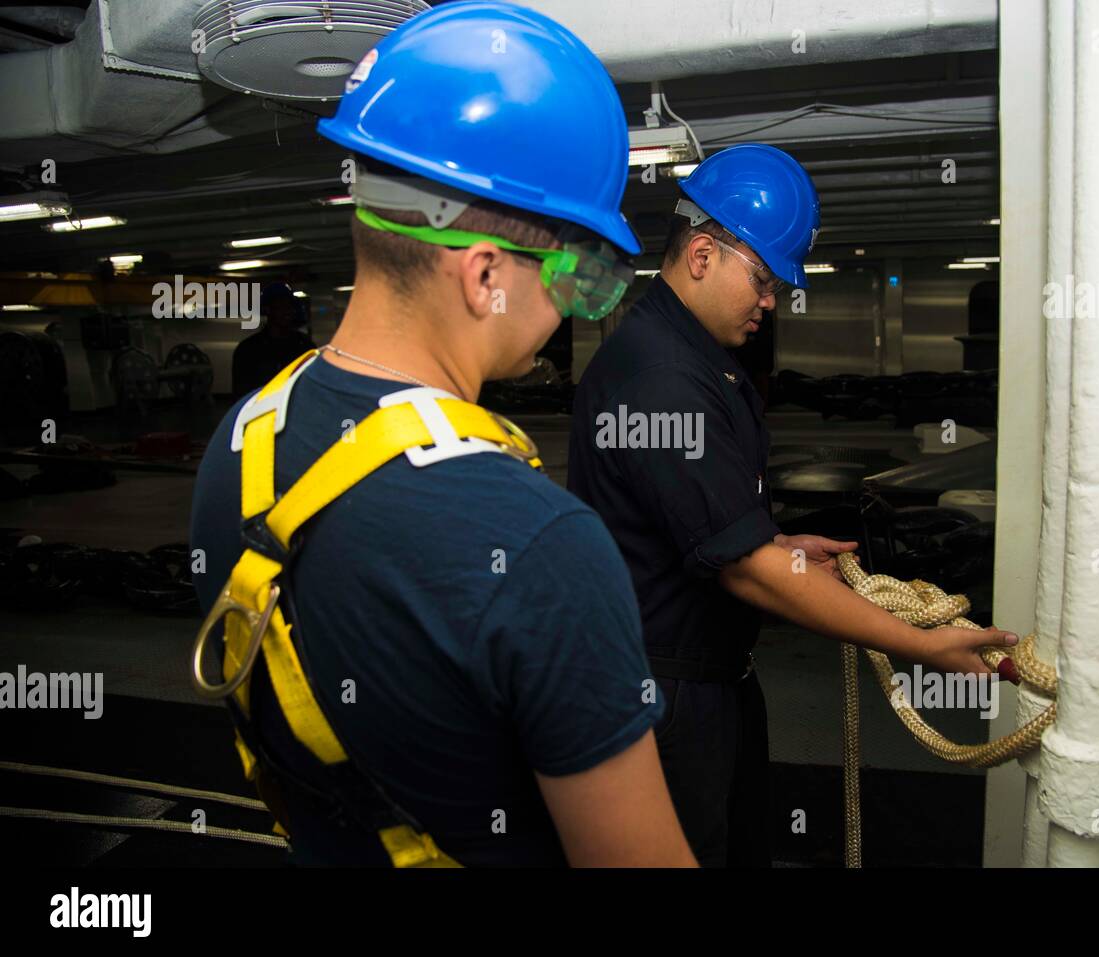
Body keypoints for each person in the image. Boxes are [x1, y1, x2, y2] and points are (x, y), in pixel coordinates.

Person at [190, 1, 694, 868]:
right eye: (571, 276)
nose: (567, 308)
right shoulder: (543, 545)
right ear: (485, 273)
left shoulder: (242, 438)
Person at [567, 143, 1019, 867]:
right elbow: (744, 572)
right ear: (704, 254)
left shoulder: (693, 358)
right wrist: (922, 647)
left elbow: (709, 527)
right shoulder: (661, 376)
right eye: (766, 278)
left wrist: (779, 543)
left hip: (708, 678)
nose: (773, 299)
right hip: (664, 698)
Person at [229, 282, 316, 397]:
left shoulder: (305, 346)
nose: (287, 312)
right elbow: (242, 392)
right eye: (281, 307)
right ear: (267, 310)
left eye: (290, 307)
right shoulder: (248, 350)